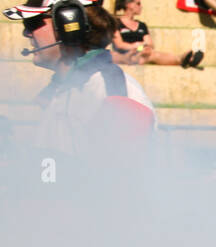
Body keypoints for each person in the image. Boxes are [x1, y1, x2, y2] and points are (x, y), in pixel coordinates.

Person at [5, 0, 155, 159]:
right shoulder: (62, 90)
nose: (26, 33)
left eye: (32, 23)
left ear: (69, 25)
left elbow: (120, 177)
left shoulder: (112, 90)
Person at [112, 0, 203, 68]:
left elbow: (150, 44)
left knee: (153, 54)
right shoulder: (116, 22)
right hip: (125, 54)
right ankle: (182, 59)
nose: (141, 6)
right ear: (128, 4)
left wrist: (141, 48)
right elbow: (119, 45)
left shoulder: (141, 25)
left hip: (141, 53)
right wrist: (136, 46)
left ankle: (183, 59)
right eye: (138, 3)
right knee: (149, 56)